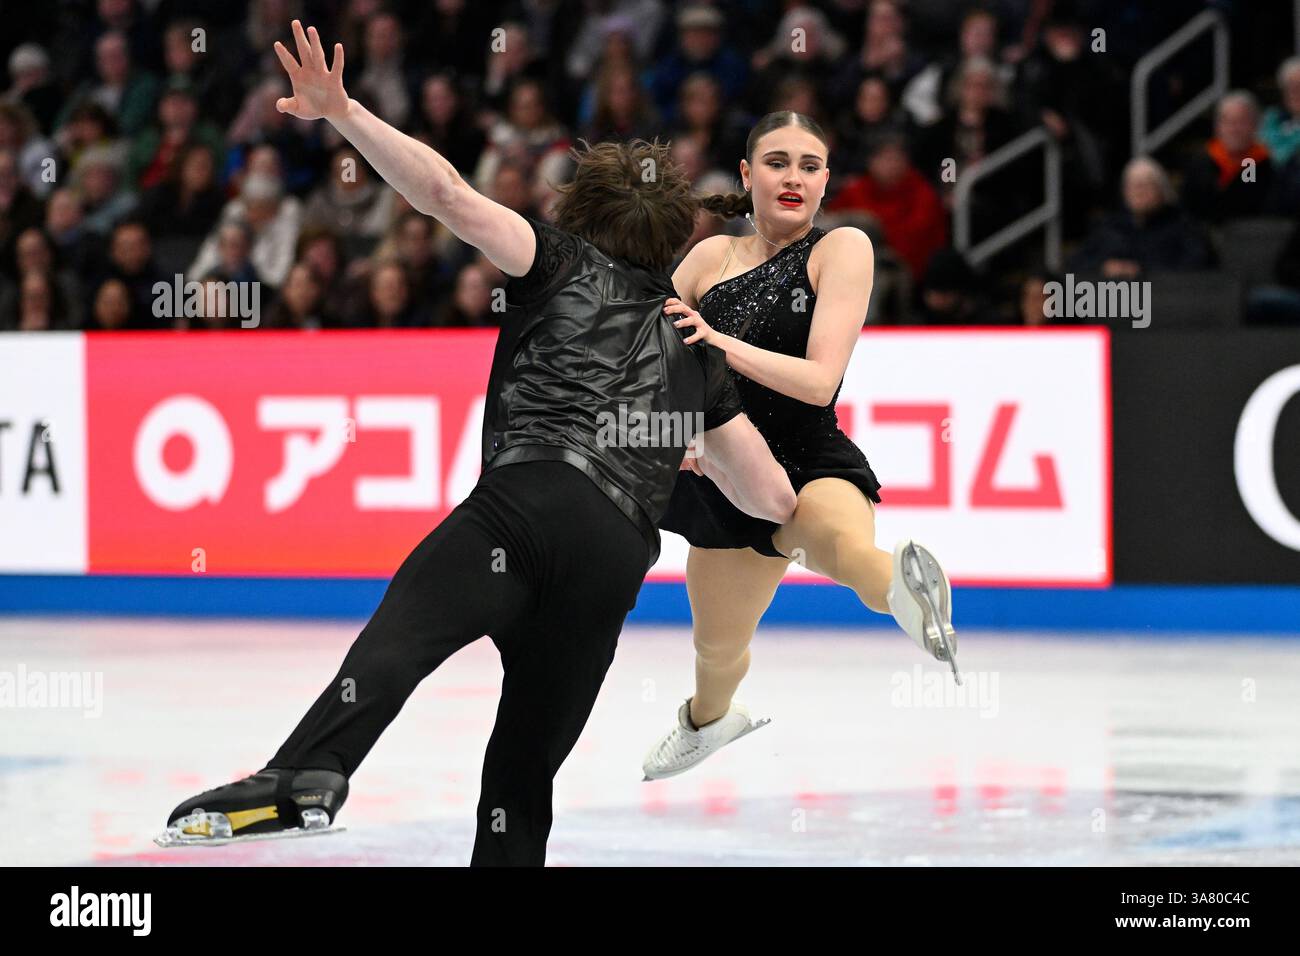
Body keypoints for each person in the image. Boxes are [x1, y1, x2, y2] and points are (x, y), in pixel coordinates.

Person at [160, 20, 797, 867]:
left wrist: (346, 112)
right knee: (521, 779)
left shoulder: (559, 263)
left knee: (401, 640)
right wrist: (687, 447)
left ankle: (310, 773)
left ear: (584, 212)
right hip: (610, 560)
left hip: (523, 510)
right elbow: (774, 502)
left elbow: (448, 195)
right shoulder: (694, 345)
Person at [644, 111, 960, 780]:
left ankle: (916, 601)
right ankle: (708, 723)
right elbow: (649, 364)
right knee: (716, 655)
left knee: (846, 549)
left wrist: (716, 338)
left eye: (810, 166)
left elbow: (818, 383)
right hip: (722, 483)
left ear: (824, 183)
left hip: (809, 460)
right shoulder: (709, 257)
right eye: (778, 162)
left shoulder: (840, 248)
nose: (794, 177)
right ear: (746, 174)